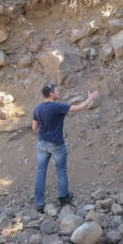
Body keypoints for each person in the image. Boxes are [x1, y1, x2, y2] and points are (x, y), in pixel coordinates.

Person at [32, 83, 99, 212]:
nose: (58, 93)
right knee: (61, 170)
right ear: (51, 93)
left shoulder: (38, 108)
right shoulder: (57, 107)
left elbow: (34, 128)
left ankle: (40, 203)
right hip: (56, 144)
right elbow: (80, 107)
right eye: (56, 91)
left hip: (42, 143)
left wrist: (46, 126)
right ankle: (63, 198)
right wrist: (90, 98)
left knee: (41, 172)